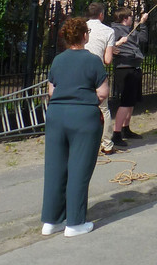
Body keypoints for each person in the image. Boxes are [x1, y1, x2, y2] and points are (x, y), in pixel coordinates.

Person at [41, 17, 109, 238]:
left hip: (56, 115)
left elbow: (51, 91)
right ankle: (75, 222)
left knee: (55, 168)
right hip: (83, 117)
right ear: (85, 36)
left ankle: (51, 220)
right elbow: (103, 92)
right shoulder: (92, 61)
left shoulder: (57, 61)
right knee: (79, 169)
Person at [111, 7, 149, 147]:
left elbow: (143, 38)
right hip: (124, 68)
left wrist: (142, 24)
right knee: (126, 102)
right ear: (125, 18)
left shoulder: (129, 31)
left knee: (131, 101)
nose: (132, 19)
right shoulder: (114, 31)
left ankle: (126, 128)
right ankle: (116, 133)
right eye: (130, 17)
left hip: (135, 67)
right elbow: (109, 46)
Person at [84, 2, 115, 155]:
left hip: (79, 69)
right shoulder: (108, 31)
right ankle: (107, 144)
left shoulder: (81, 27)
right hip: (96, 70)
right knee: (103, 108)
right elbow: (108, 60)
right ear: (101, 14)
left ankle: (85, 142)